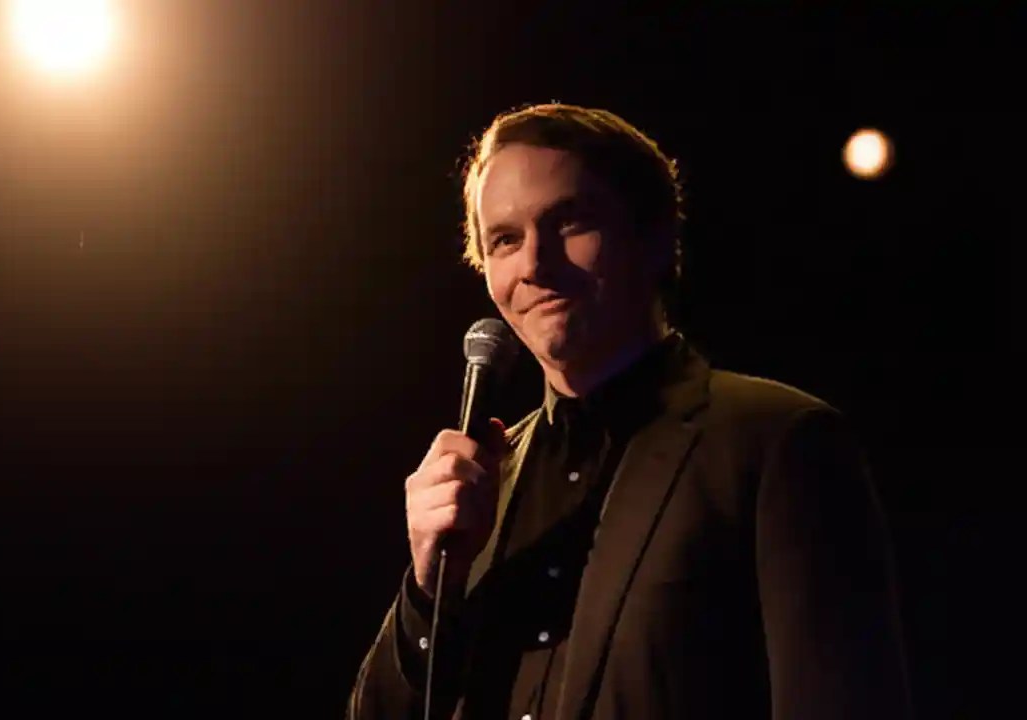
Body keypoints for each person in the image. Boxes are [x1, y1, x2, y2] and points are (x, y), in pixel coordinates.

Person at [346, 103, 912, 720]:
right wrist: (430, 589)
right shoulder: (483, 481)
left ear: (654, 236)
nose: (534, 265)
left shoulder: (776, 441)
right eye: (504, 240)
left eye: (570, 223)